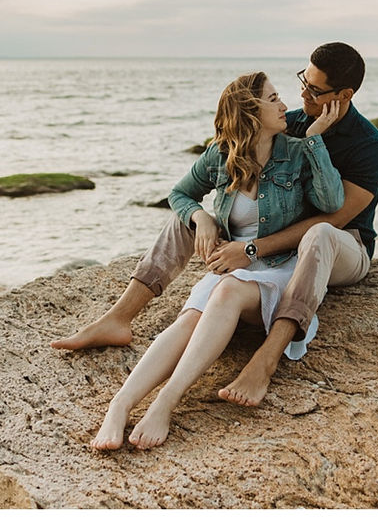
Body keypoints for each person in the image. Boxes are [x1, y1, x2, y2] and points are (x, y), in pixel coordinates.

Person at [52, 42, 378, 408]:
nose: (301, 94)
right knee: (188, 220)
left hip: (343, 245)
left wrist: (249, 249)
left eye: (314, 90)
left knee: (319, 233)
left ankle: (267, 358)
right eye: (302, 82)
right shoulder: (288, 121)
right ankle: (119, 317)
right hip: (280, 240)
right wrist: (204, 218)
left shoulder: (369, 146)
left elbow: (333, 215)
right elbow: (203, 184)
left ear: (345, 95)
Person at [88, 71, 344, 449]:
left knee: (225, 293)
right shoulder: (220, 155)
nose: (284, 105)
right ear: (250, 112)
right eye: (272, 99)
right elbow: (179, 194)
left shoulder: (296, 151)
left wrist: (315, 141)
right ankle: (120, 405)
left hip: (280, 269)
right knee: (189, 319)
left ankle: (164, 402)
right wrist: (201, 216)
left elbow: (331, 203)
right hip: (234, 268)